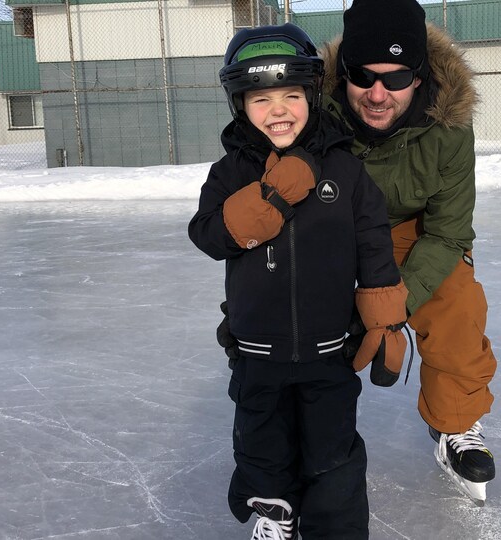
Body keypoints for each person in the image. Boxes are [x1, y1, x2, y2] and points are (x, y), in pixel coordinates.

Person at [188, 24, 409, 540]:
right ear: (240, 104)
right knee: (262, 446)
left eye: (291, 95)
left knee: (332, 456)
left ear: (311, 95)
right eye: (261, 98)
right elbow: (207, 234)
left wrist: (384, 320)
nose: (279, 109)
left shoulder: (346, 170)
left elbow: (374, 242)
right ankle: (275, 513)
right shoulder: (229, 172)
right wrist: (265, 201)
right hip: (256, 353)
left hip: (328, 352)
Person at [320, 0, 499, 505]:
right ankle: (303, 431)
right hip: (334, 227)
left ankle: (455, 426)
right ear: (343, 75)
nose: (378, 95)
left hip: (413, 231)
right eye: (363, 76)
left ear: (419, 77)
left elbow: (448, 233)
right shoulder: (313, 108)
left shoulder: (449, 125)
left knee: (457, 302)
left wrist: (394, 304)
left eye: (396, 78)